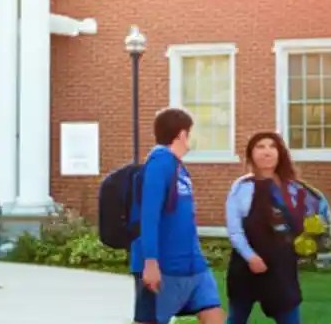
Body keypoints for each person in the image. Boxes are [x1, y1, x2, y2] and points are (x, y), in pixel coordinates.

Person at [130, 107, 225, 324]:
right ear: (182, 134)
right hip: (163, 267)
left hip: (193, 265)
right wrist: (151, 262)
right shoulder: (158, 164)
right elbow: (149, 216)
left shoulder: (179, 168)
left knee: (213, 313)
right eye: (190, 133)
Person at [224, 132, 311, 324]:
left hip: (282, 270)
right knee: (236, 318)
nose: (267, 152)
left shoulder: (293, 188)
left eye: (272, 146)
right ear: (251, 154)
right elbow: (234, 230)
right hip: (246, 268)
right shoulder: (241, 187)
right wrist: (251, 257)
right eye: (260, 147)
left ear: (280, 153)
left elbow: (303, 224)